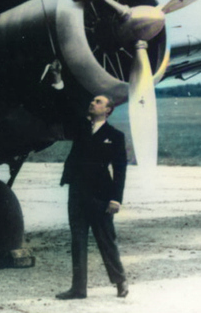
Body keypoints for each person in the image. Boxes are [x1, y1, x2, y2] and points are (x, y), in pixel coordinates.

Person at [52, 77, 129, 299]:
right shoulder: (81, 128)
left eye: (98, 102)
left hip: (101, 195)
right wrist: (59, 83)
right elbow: (66, 109)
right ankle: (78, 288)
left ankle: (120, 281)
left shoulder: (115, 136)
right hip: (77, 193)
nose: (92, 103)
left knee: (106, 240)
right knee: (78, 241)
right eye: (93, 101)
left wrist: (116, 199)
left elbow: (120, 170)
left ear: (108, 110)